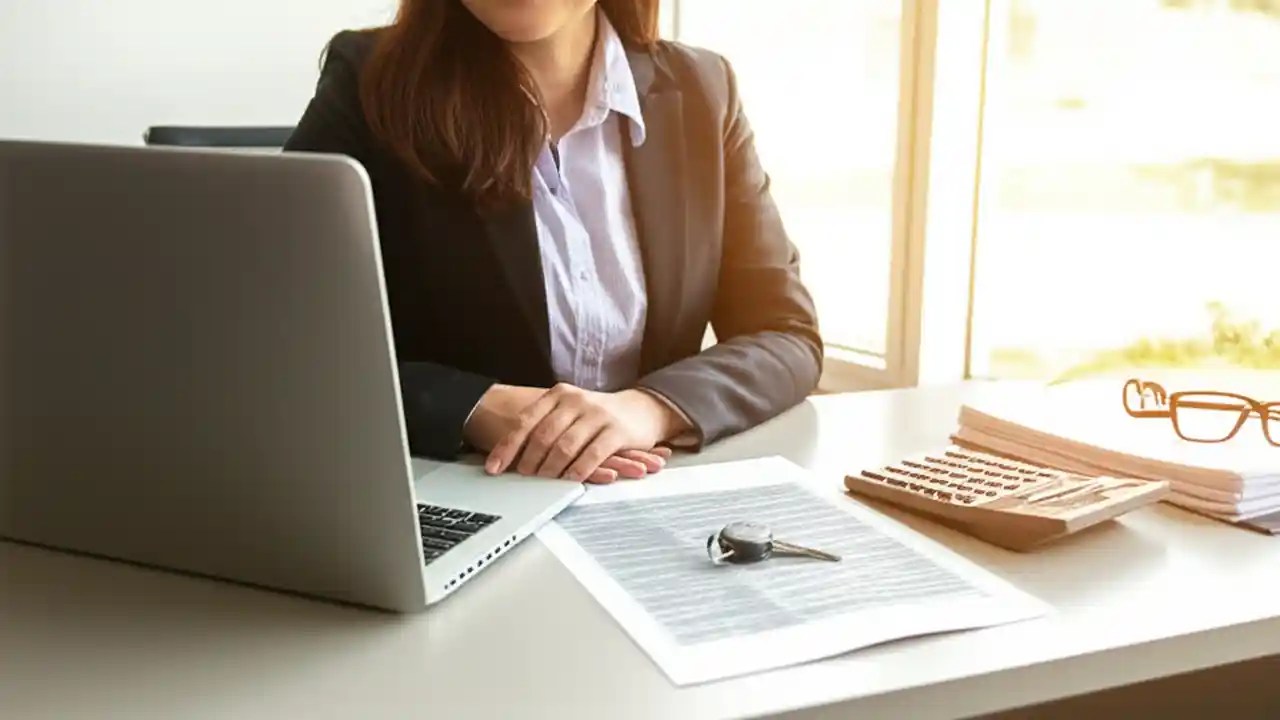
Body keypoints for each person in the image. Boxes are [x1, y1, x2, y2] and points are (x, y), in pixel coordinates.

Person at [284, 0, 822, 485]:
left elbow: (784, 335)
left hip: (649, 491)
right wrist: (473, 407)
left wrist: (650, 408)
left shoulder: (702, 88)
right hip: (458, 491)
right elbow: (277, 337)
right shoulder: (368, 80)